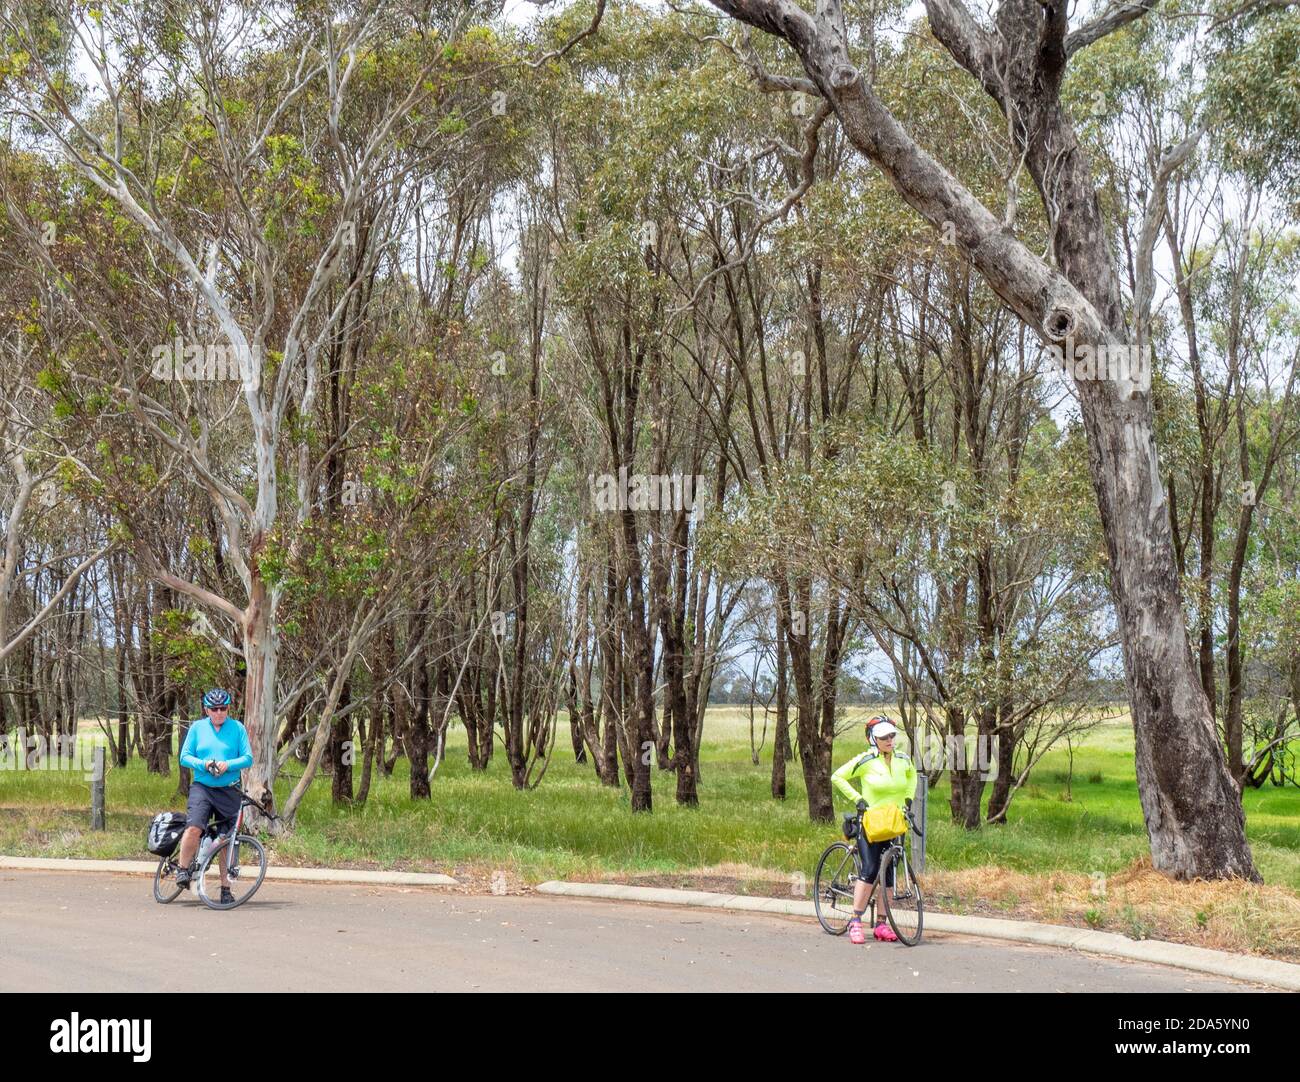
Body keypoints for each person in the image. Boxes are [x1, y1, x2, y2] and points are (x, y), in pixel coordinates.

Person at [830, 715, 917, 945]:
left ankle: (881, 924)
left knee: (888, 873)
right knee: (869, 870)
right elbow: (837, 776)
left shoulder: (903, 759)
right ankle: (855, 921)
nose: (889, 739)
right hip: (870, 823)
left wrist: (908, 798)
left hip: (894, 822)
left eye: (892, 735)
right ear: (873, 739)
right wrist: (857, 798)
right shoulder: (866, 760)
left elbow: (912, 777)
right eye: (883, 737)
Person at [175, 689, 253, 904]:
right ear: (206, 709)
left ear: (229, 708)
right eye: (214, 709)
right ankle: (182, 869)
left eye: (223, 708)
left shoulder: (237, 729)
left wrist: (228, 764)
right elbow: (185, 757)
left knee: (226, 840)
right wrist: (205, 763)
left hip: (229, 789)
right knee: (194, 827)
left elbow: (247, 758)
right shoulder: (197, 728)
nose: (219, 713)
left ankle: (225, 890)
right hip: (203, 787)